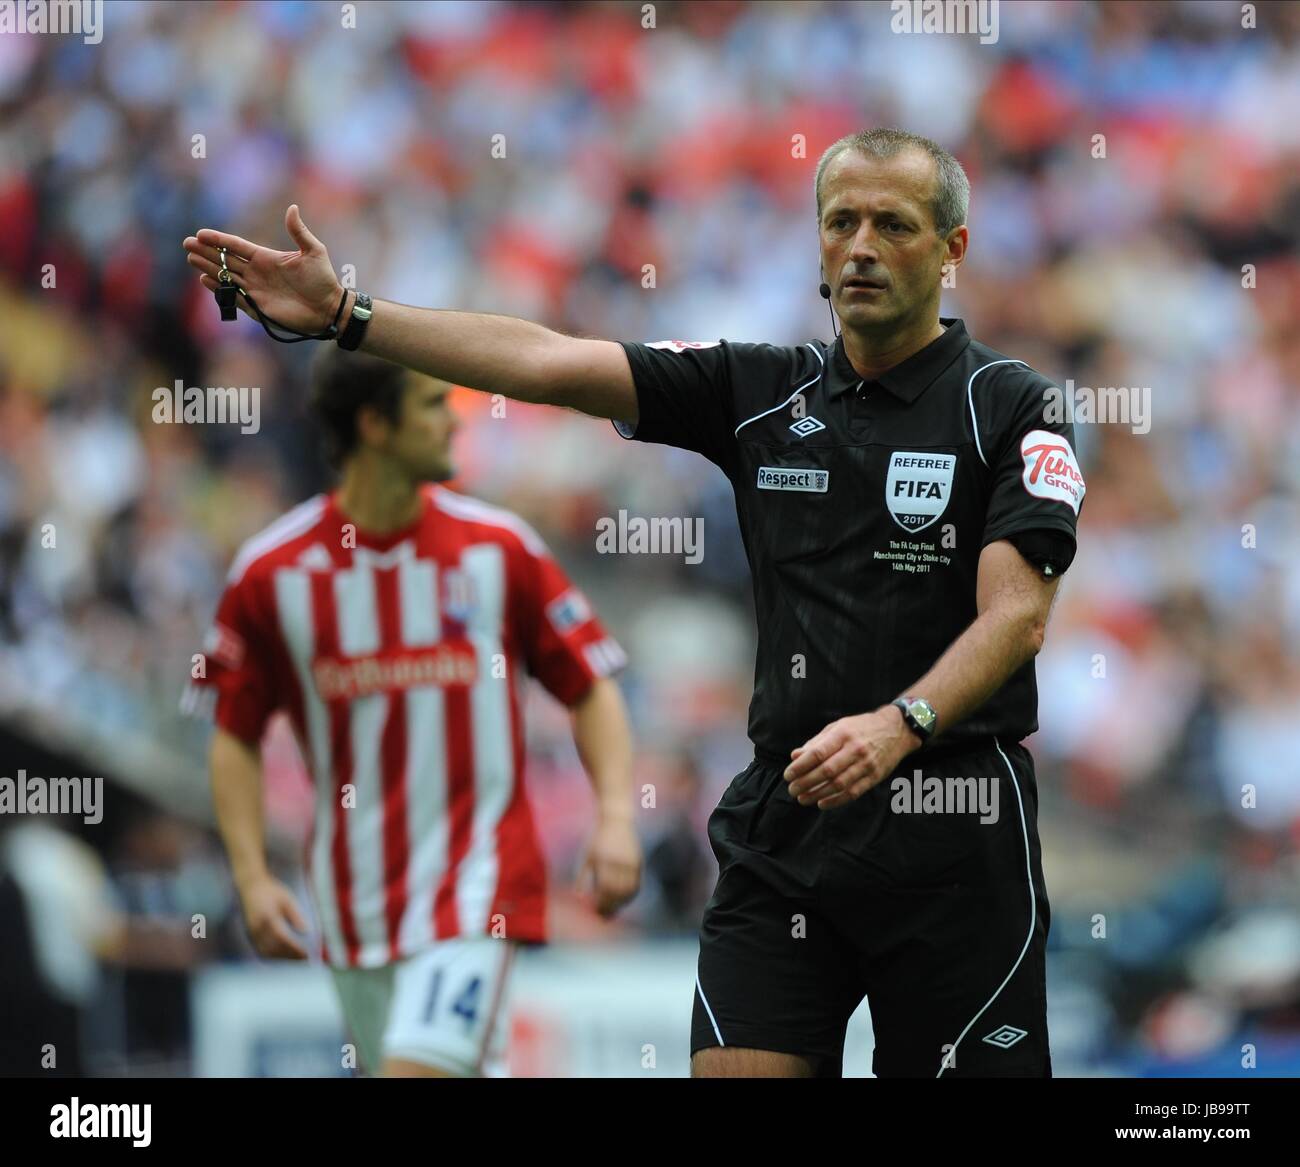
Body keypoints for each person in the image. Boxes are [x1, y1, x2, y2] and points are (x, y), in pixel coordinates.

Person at [182, 125, 1085, 1078]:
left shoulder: (1012, 403)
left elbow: (1017, 617)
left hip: (952, 830)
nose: (861, 245)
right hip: (788, 830)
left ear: (953, 249)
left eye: (893, 224)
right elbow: (545, 362)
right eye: (841, 221)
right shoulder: (759, 391)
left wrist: (899, 725)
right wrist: (349, 315)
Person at [188, 349, 641, 1077]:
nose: (453, 423)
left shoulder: (499, 550)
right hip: (353, 901)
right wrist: (250, 877)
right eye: (432, 404)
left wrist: (616, 815)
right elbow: (233, 733)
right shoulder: (272, 572)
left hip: (478, 887)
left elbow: (591, 684)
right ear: (374, 424)